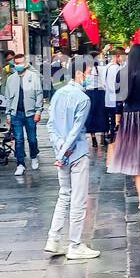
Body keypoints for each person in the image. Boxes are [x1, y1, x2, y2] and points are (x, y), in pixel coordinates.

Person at [44, 55, 101, 261]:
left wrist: (59, 150)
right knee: (78, 199)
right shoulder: (83, 99)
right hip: (76, 153)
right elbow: (76, 131)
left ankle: (53, 238)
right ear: (79, 73)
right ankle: (75, 244)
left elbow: (51, 125)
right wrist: (65, 152)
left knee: (64, 196)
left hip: (62, 153)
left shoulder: (58, 94)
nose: (90, 76)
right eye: (88, 72)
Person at [107, 43, 140, 209]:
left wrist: (117, 121)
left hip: (130, 118)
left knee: (136, 158)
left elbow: (119, 101)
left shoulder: (122, 73)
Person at [2, 52, 44, 175]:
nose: (19, 65)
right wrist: (8, 114)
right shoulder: (11, 79)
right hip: (16, 113)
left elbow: (39, 94)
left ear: (25, 64)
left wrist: (38, 111)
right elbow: (8, 98)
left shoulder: (33, 76)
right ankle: (20, 164)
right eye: (17, 63)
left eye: (21, 63)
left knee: (32, 139)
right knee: (18, 140)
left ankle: (33, 155)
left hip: (30, 113)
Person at [82, 61, 110, 148]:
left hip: (90, 93)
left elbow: (84, 84)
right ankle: (103, 135)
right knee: (102, 114)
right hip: (101, 93)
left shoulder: (86, 71)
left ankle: (93, 138)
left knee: (91, 115)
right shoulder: (102, 69)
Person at [103, 47, 125, 144]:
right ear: (117, 56)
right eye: (122, 57)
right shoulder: (115, 68)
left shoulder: (107, 67)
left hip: (109, 97)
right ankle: (114, 138)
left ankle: (112, 137)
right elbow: (115, 84)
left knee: (112, 119)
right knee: (115, 120)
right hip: (115, 98)